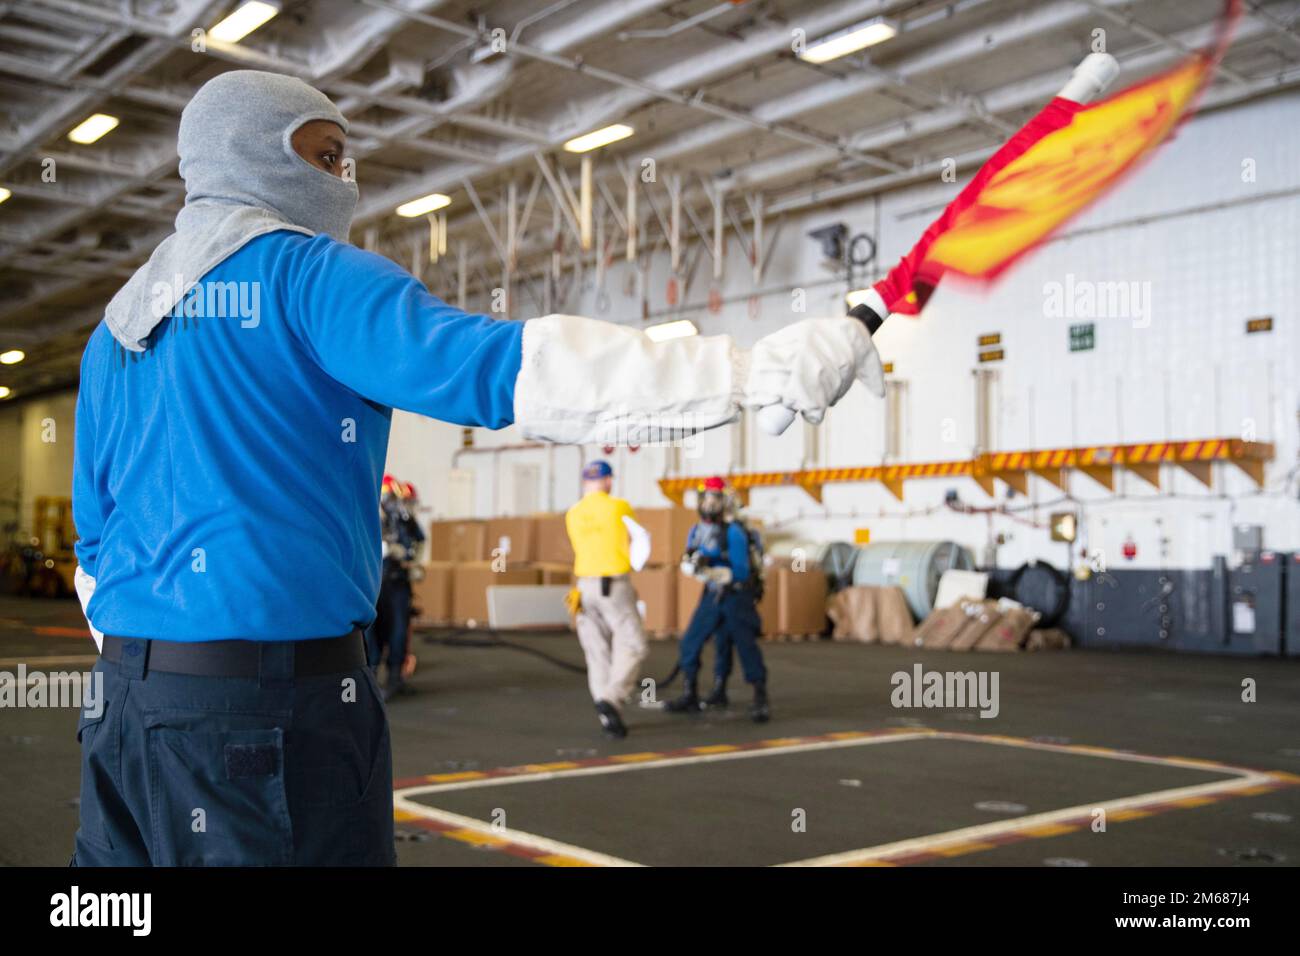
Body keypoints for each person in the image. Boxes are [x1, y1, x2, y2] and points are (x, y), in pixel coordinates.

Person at [71, 70, 883, 865]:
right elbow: (509, 371)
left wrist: (161, 668)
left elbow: (94, 547)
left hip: (123, 712)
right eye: (322, 157)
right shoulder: (305, 277)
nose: (341, 181)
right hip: (266, 716)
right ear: (249, 154)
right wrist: (751, 372)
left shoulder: (115, 335)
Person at [666, 478, 769, 723]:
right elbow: (690, 556)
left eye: (715, 498)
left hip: (736, 594)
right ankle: (693, 693)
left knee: (743, 645)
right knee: (691, 641)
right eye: (707, 498)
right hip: (712, 594)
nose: (710, 504)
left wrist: (712, 570)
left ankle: (760, 697)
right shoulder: (696, 531)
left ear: (724, 502)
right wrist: (693, 566)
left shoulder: (733, 532)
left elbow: (742, 571)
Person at [564, 460, 651, 738]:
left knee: (596, 651)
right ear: (609, 481)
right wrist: (637, 563)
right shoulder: (619, 506)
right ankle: (611, 699)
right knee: (633, 645)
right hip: (613, 585)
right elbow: (639, 537)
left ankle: (606, 716)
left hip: (583, 588)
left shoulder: (573, 513)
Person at [365, 475, 424, 699]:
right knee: (371, 633)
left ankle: (395, 678)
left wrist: (407, 557)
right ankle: (370, 679)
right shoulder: (368, 518)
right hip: (374, 584)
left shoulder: (404, 521)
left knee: (398, 630)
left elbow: (418, 541)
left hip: (397, 582)